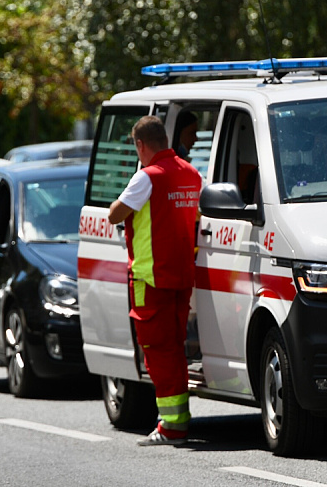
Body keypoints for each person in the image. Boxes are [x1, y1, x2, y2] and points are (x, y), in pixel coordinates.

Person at [108, 115, 202, 446]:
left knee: (158, 352)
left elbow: (114, 214)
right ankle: (176, 420)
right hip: (181, 275)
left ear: (140, 145)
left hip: (150, 278)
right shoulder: (191, 174)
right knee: (174, 348)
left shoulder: (146, 177)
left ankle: (173, 426)